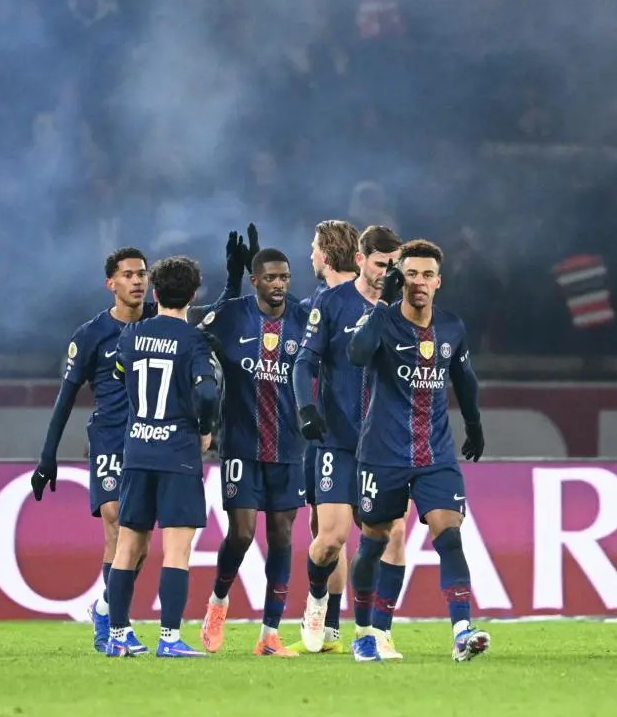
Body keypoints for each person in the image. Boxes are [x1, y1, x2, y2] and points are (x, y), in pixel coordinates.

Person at [30, 235, 246, 653]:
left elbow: (208, 315)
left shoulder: (146, 325)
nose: (137, 281)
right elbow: (65, 397)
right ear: (110, 283)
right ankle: (121, 626)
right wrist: (47, 456)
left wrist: (232, 281)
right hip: (113, 439)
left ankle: (107, 610)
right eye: (128, 275)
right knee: (118, 526)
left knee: (138, 541)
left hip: (138, 440)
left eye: (143, 274)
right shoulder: (92, 334)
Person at [347, 239, 489, 662]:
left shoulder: (451, 327)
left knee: (449, 533)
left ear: (439, 281)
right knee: (373, 542)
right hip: (382, 453)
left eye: (428, 275)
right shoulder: (381, 320)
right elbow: (357, 354)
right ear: (400, 278)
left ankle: (462, 632)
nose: (419, 282)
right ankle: (366, 632)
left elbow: (465, 380)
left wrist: (474, 425)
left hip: (435, 454)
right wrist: (380, 304)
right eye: (411, 274)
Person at [293, 224, 410, 659]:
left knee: (393, 536)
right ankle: (317, 602)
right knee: (331, 539)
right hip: (338, 440)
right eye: (381, 264)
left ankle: (378, 632)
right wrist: (307, 409)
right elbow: (303, 362)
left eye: (395, 266)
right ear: (360, 260)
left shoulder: (406, 310)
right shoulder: (332, 302)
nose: (387, 273)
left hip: (384, 445)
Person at [105, 256, 219, 658]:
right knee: (177, 550)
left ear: (155, 292)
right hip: (177, 453)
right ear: (193, 295)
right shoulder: (193, 340)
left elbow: (119, 375)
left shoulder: (131, 334)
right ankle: (169, 638)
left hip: (137, 450)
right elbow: (207, 392)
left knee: (127, 546)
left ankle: (118, 634)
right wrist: (205, 428)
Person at [198, 248, 309, 657]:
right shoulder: (233, 314)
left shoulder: (303, 318)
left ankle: (269, 635)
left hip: (288, 447)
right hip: (241, 445)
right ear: (255, 280)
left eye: (285, 277)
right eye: (271, 277)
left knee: (282, 535)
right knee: (242, 533)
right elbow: (193, 327)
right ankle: (218, 603)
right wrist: (228, 286)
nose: (279, 284)